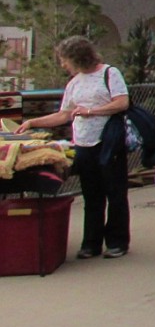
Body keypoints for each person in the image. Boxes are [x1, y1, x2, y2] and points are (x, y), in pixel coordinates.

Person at [17, 36, 130, 259]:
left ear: (78, 57)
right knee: (91, 193)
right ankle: (91, 242)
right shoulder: (74, 83)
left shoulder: (109, 74)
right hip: (83, 143)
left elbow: (122, 102)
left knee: (115, 191)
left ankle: (117, 241)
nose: (63, 65)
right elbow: (64, 114)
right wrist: (33, 122)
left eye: (65, 59)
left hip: (108, 141)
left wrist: (91, 111)